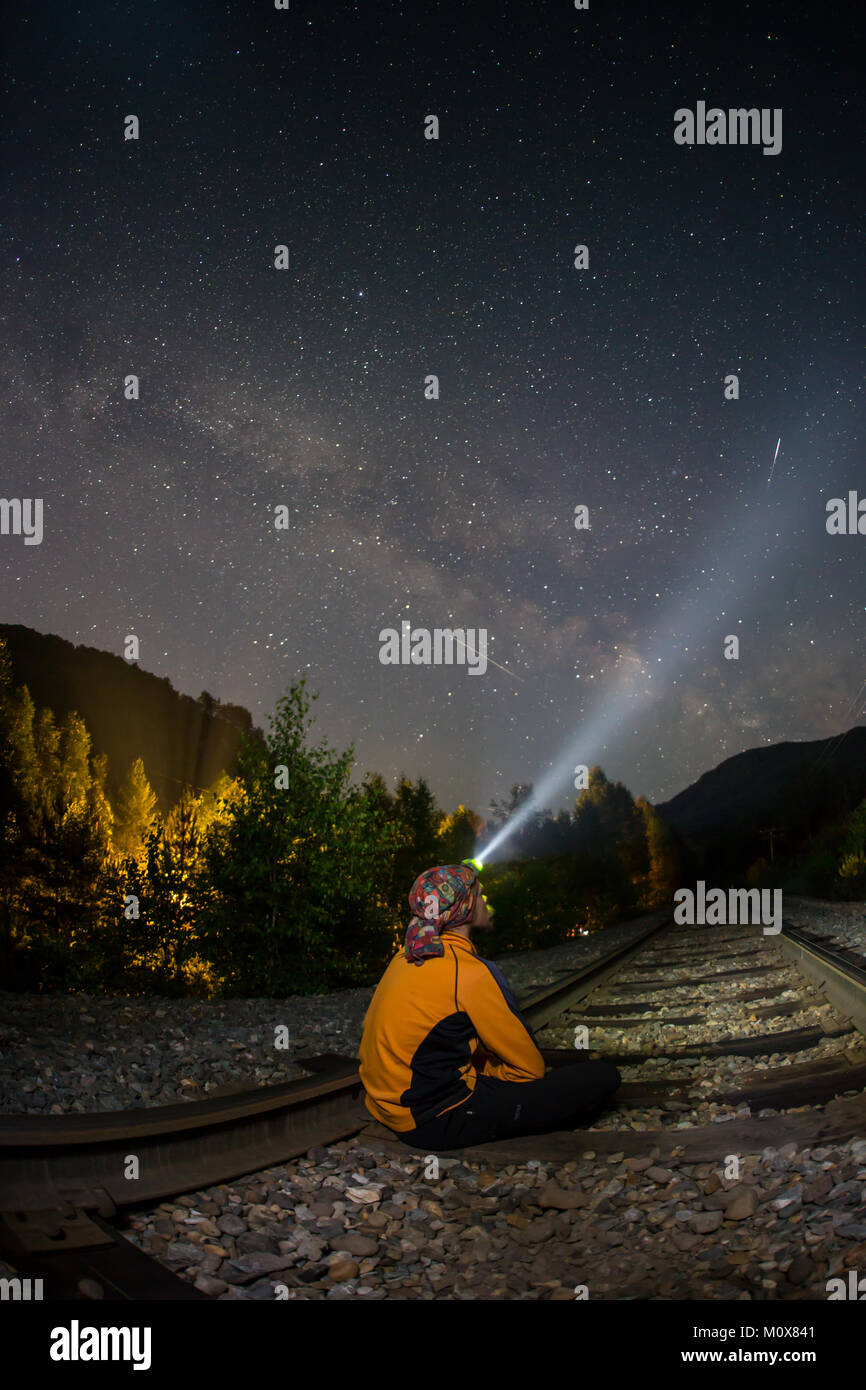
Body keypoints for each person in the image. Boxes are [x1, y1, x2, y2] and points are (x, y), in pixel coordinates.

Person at [358, 863, 621, 1150]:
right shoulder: (470, 972)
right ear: (467, 907)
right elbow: (529, 1070)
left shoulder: (404, 957)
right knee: (602, 1076)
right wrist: (487, 1074)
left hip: (386, 1108)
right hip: (436, 1121)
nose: (486, 901)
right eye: (481, 895)